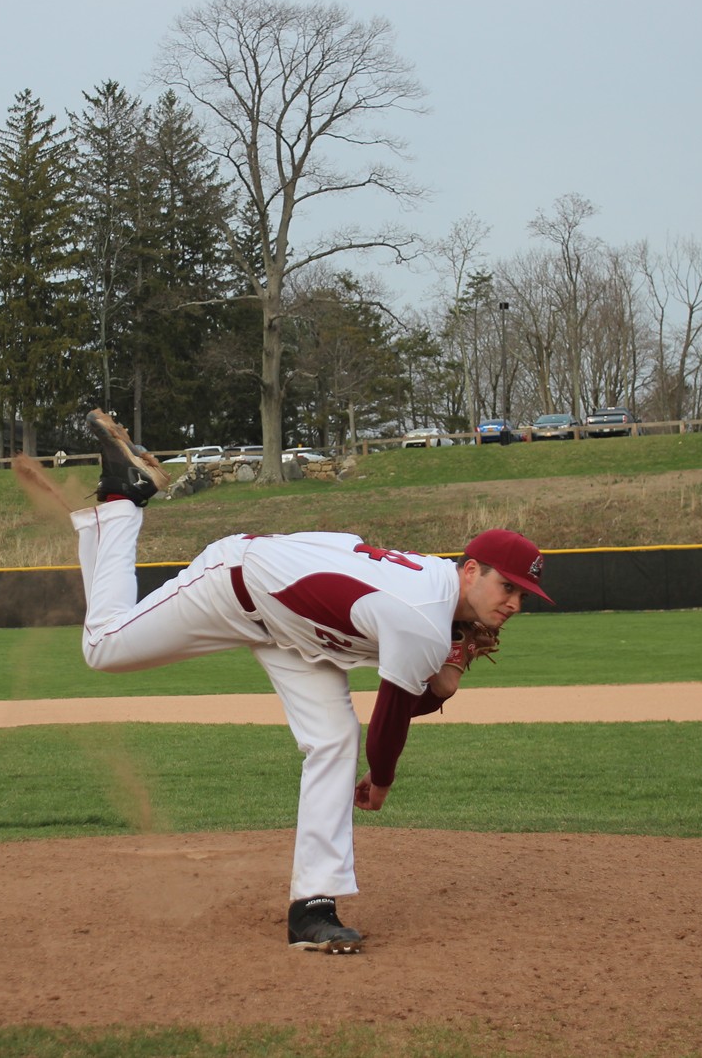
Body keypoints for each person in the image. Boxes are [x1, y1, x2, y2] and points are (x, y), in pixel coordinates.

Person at [60, 409, 552, 954]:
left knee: (333, 739)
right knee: (102, 647)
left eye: (522, 597)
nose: (512, 602)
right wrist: (384, 776)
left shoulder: (438, 599)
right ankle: (120, 502)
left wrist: (441, 682)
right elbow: (389, 719)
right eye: (505, 586)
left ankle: (313, 907)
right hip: (235, 587)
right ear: (469, 569)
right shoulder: (424, 616)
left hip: (294, 630)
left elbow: (402, 689)